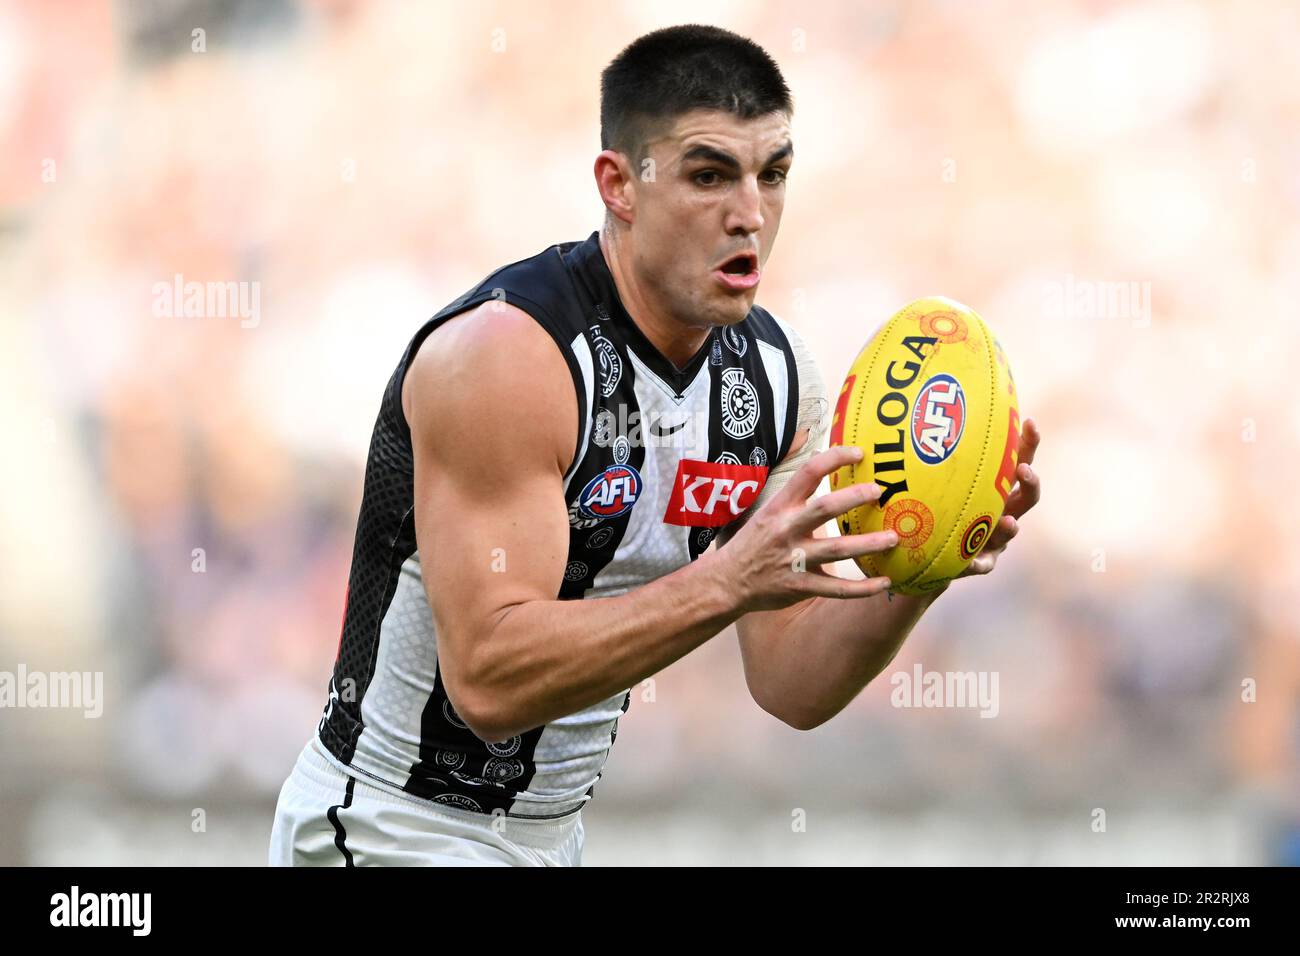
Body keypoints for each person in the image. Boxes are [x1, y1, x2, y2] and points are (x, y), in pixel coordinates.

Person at [269, 23, 1042, 867]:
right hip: (392, 826)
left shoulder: (779, 384)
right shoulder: (508, 359)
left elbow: (789, 684)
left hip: (548, 841)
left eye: (772, 175)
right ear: (620, 184)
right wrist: (724, 582)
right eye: (709, 175)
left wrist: (923, 564)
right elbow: (488, 680)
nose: (749, 214)